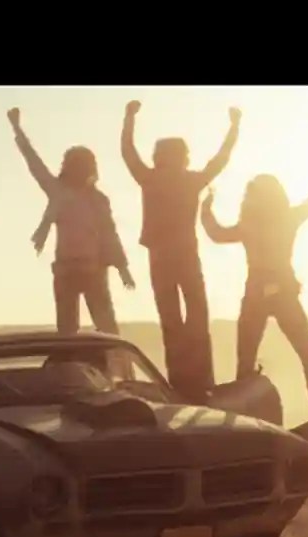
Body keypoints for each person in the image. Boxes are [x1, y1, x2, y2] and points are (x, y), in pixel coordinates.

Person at [199, 164, 308, 433]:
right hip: (284, 291)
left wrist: (206, 207)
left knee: (246, 359)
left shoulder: (249, 225)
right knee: (307, 353)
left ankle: (244, 418)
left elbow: (217, 234)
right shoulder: (287, 218)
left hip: (256, 292)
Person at [120, 99, 240, 403]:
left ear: (159, 156)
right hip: (186, 254)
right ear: (183, 157)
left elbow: (127, 152)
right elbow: (221, 159)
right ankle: (203, 381)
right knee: (197, 315)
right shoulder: (190, 180)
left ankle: (180, 383)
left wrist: (129, 118)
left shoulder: (150, 178)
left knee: (171, 320)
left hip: (160, 256)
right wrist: (234, 126)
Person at [9, 107, 136, 336]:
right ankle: (71, 359)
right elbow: (33, 162)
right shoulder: (58, 191)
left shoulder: (98, 199)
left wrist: (122, 268)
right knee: (68, 330)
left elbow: (109, 235)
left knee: (107, 328)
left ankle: (114, 359)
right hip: (66, 269)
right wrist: (17, 128)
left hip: (93, 269)